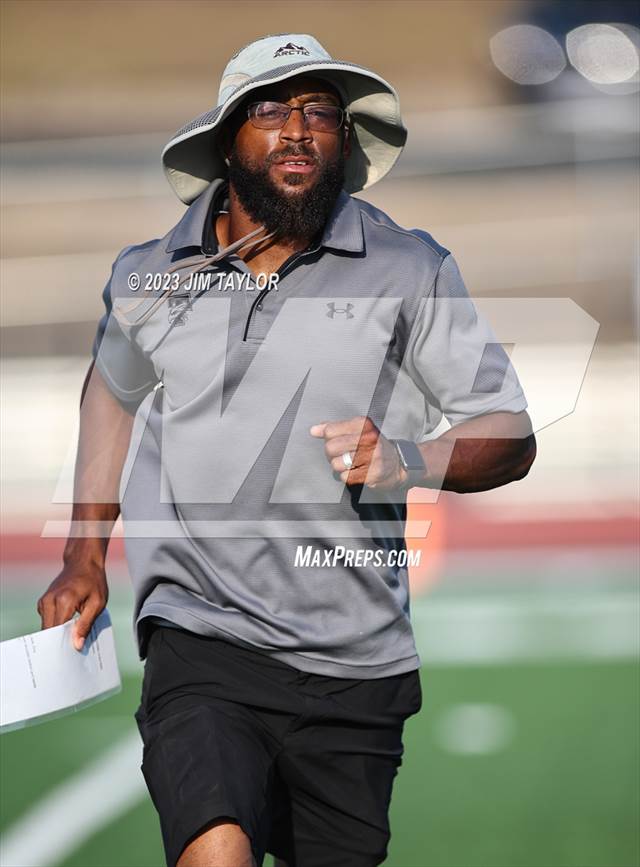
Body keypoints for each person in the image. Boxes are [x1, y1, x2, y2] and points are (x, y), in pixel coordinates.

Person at [37, 34, 536, 867]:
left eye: (320, 112)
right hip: (202, 632)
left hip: (357, 658)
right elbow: (112, 391)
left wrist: (408, 458)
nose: (298, 128)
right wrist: (83, 553)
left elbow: (510, 432)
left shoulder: (409, 266)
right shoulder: (150, 274)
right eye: (271, 109)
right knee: (215, 850)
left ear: (344, 139)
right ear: (227, 138)